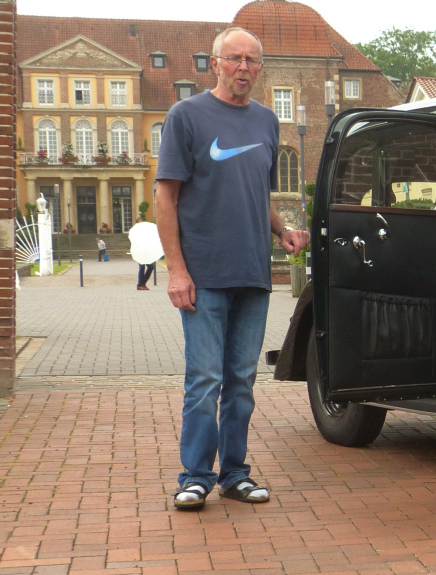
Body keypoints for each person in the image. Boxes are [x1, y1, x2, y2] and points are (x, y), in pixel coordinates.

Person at [156, 27, 309, 510]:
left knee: (241, 382)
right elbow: (166, 196)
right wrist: (176, 271)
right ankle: (195, 476)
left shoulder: (267, 122)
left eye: (252, 60)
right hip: (203, 277)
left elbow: (256, 195)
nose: (244, 67)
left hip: (253, 274)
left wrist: (281, 231)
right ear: (216, 64)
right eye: (235, 59)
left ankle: (235, 474)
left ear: (260, 69)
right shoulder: (186, 116)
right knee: (204, 381)